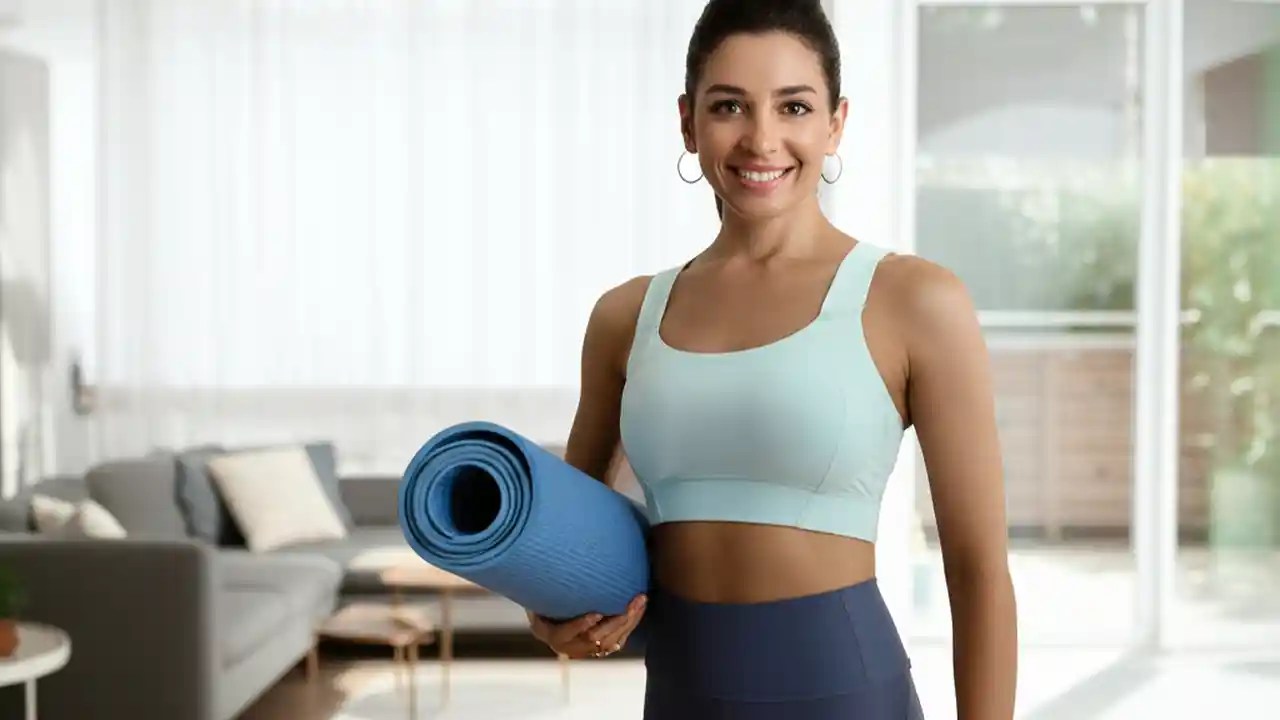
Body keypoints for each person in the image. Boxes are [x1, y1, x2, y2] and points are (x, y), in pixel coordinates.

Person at [527, 0, 1018, 717]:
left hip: (846, 696)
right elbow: (564, 542)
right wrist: (555, 617)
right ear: (688, 122)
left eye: (793, 107)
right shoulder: (624, 318)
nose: (762, 139)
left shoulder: (914, 301)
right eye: (730, 106)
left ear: (835, 123)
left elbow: (978, 573)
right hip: (679, 698)